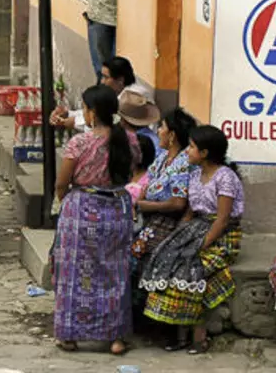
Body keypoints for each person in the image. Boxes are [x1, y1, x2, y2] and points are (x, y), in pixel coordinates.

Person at [140, 125, 245, 354]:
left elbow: (222, 220)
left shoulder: (224, 178)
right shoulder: (195, 174)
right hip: (196, 227)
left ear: (205, 153)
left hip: (222, 236)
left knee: (190, 268)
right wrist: (178, 236)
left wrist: (201, 245)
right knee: (165, 258)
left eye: (193, 147)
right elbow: (190, 211)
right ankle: (179, 334)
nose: (187, 151)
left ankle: (197, 335)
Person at [52, 85, 138, 355]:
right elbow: (130, 172)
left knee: (73, 272)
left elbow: (62, 182)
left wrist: (63, 201)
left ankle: (70, 334)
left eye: (85, 109)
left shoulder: (79, 143)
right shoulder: (129, 141)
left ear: (92, 113)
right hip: (117, 210)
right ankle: (116, 337)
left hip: (82, 210)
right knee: (115, 272)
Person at [131, 108, 196, 278]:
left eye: (162, 127)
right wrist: (138, 204)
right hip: (148, 216)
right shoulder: (162, 158)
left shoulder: (183, 163)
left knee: (139, 250)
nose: (158, 131)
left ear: (172, 135)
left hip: (168, 221)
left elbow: (178, 203)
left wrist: (146, 206)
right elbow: (147, 184)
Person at [50, 56, 152, 131]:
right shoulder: (117, 91)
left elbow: (106, 124)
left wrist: (73, 121)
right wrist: (68, 114)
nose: (102, 81)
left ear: (120, 80)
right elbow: (98, 111)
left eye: (106, 77)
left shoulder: (134, 96)